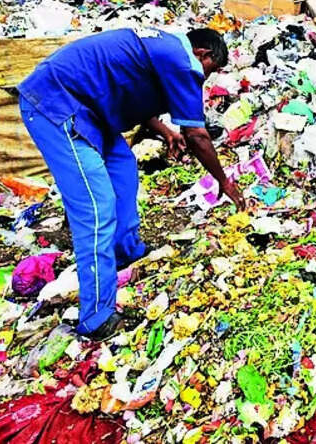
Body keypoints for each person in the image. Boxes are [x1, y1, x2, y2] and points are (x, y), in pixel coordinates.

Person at [18, 28, 246, 340]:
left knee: (123, 169)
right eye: (211, 70)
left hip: (91, 112)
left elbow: (130, 88)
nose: (205, 79)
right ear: (203, 55)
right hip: (57, 106)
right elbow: (197, 135)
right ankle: (96, 319)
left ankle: (125, 250)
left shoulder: (164, 48)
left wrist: (165, 131)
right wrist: (224, 182)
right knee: (96, 208)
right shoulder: (183, 62)